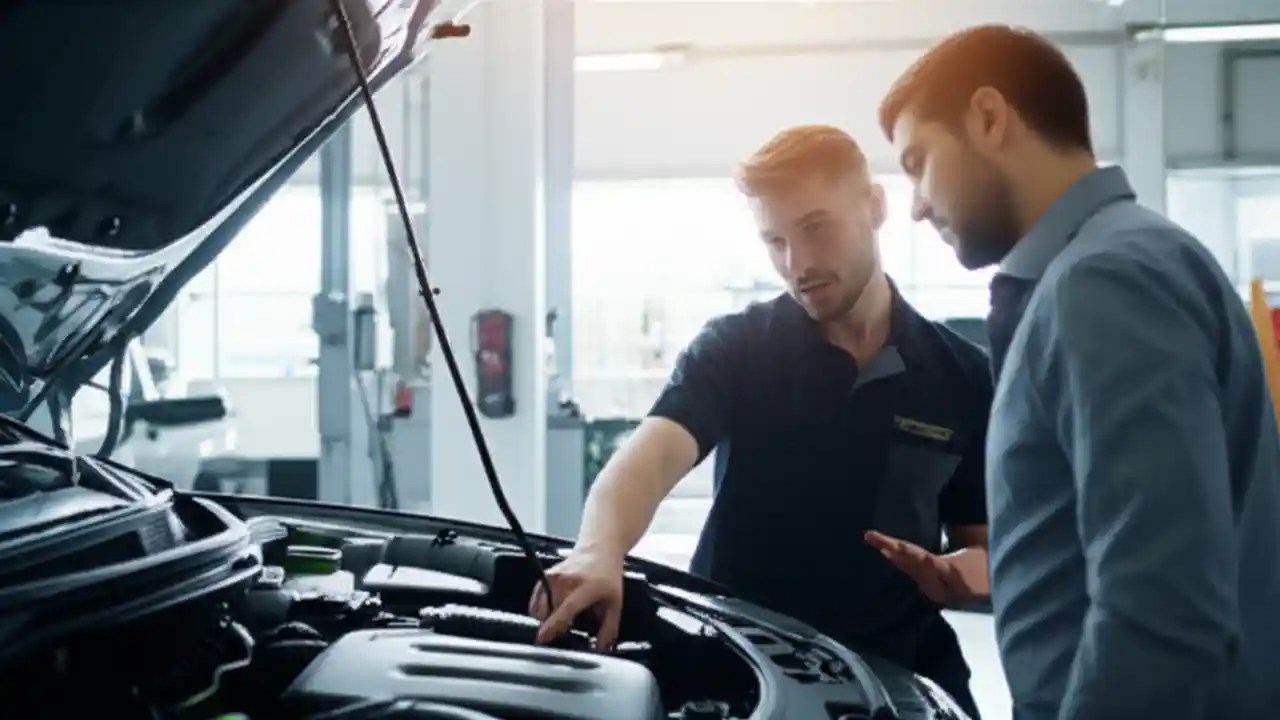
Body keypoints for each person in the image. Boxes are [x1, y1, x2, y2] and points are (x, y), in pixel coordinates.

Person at [877, 23, 1280, 720]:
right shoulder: (1122, 261)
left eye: (918, 161)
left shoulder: (1104, 282)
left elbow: (1162, 607)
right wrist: (1017, 576)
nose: (914, 206)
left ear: (989, 118)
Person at [528, 124, 993, 717]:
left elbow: (978, 545)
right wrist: (598, 550)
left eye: (815, 228)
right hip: (740, 663)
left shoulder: (962, 376)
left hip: (894, 673)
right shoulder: (736, 349)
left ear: (874, 206)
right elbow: (651, 456)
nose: (797, 263)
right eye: (775, 241)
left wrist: (968, 576)